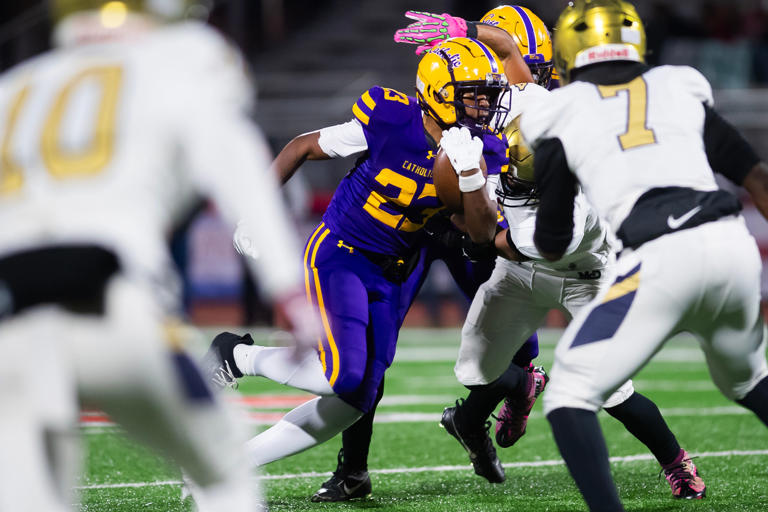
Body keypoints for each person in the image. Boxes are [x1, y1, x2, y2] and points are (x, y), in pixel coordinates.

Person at [0, 1, 313, 511]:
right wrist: (287, 287)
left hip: (9, 321)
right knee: (224, 471)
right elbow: (233, 156)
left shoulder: (15, 84)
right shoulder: (183, 56)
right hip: (109, 303)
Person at [394, 4, 707, 500]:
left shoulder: (561, 215)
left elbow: (487, 242)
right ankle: (500, 402)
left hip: (581, 275)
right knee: (477, 367)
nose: (483, 109)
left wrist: (469, 189)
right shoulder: (531, 105)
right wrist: (464, 29)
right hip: (521, 273)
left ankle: (676, 461)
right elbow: (506, 47)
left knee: (613, 391)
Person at [203, 36, 526, 490]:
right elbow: (301, 147)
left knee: (357, 397)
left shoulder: (483, 147)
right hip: (341, 253)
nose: (482, 105)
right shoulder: (392, 118)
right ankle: (238, 355)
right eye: (473, 94)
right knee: (345, 374)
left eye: (487, 96)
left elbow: (478, 232)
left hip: (391, 270)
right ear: (437, 93)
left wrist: (471, 176)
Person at [514, 1, 768, 510]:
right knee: (747, 379)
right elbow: (755, 176)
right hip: (733, 246)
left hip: (660, 256)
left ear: (567, 50)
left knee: (568, 396)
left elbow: (553, 240)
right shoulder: (678, 84)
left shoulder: (558, 111)